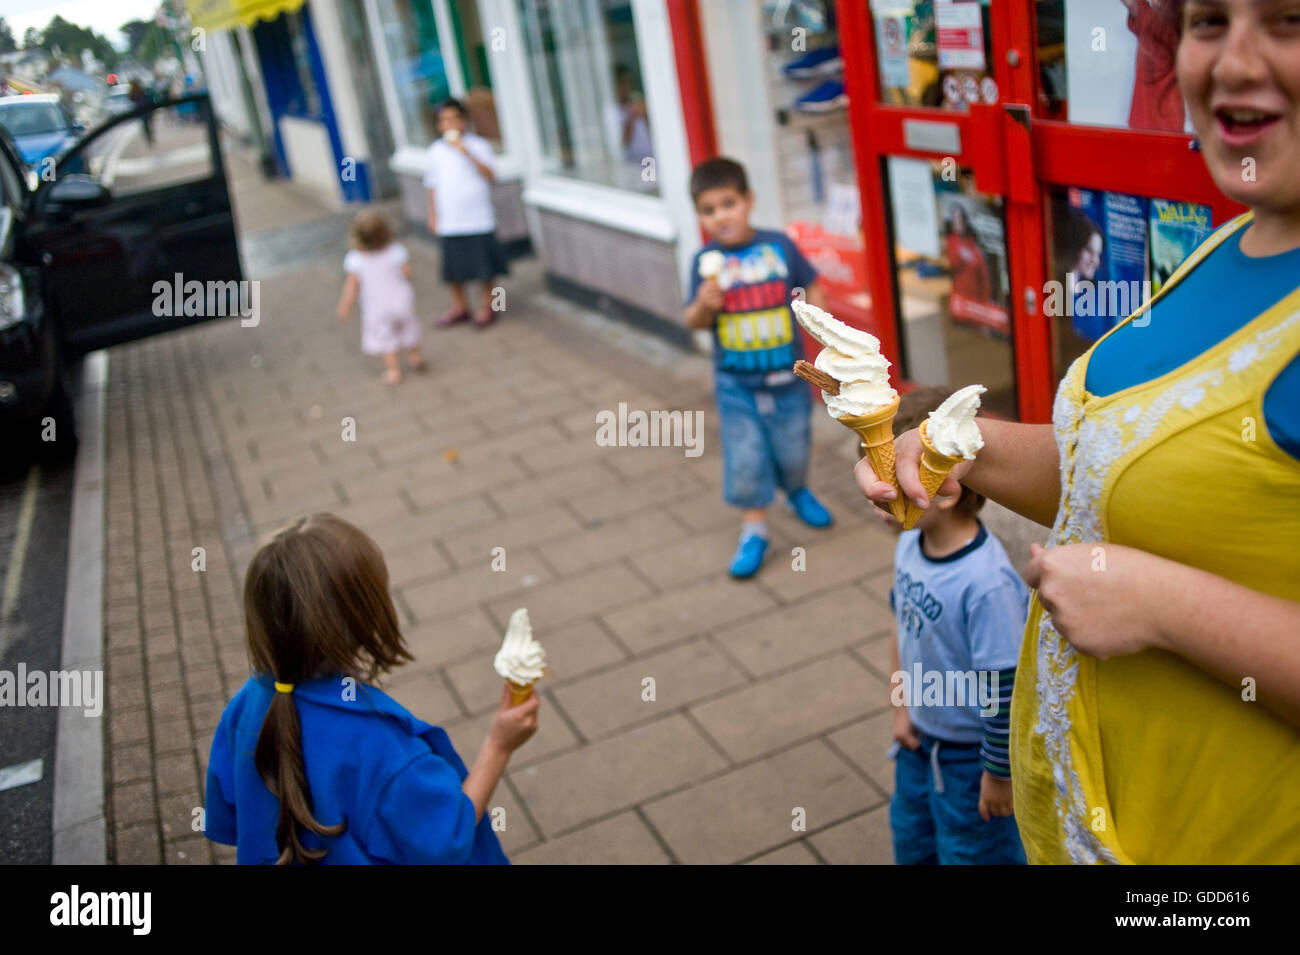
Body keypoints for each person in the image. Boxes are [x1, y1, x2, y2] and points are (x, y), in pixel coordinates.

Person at [855, 0, 1300, 864]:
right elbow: (1128, 474)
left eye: (1288, 20)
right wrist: (962, 445)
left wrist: (1167, 607)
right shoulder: (1240, 236)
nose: (1236, 61)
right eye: (1210, 19)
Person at [203, 513, 540, 864]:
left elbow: (229, 817)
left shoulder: (246, 706)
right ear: (367, 618)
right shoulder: (385, 750)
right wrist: (498, 746)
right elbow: (447, 839)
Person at [881, 387, 1028, 865]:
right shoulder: (911, 541)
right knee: (912, 838)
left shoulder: (987, 584)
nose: (879, 494)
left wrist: (999, 775)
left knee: (973, 853)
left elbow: (1005, 690)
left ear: (945, 494)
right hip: (919, 741)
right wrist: (902, 709)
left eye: (893, 481)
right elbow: (899, 623)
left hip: (972, 762)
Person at [683, 157, 835, 578]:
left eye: (728, 203)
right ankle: (755, 530)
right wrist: (703, 306)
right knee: (746, 456)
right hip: (736, 383)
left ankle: (797, 490)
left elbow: (812, 284)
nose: (720, 216)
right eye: (709, 210)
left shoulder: (779, 246)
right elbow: (691, 320)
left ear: (749, 200)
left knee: (793, 447)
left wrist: (824, 335)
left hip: (789, 377)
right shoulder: (703, 261)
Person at [424, 98, 507, 328]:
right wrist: (432, 215)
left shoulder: (479, 145)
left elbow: (491, 175)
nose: (449, 124)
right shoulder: (435, 152)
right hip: (450, 219)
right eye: (444, 120)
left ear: (464, 120)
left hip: (478, 217)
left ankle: (491, 305)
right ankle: (460, 307)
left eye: (454, 118)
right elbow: (431, 186)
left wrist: (467, 153)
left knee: (486, 267)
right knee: (454, 270)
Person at [336, 209, 425, 386]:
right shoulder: (395, 251)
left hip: (377, 307)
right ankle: (415, 356)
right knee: (408, 327)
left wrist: (345, 306)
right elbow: (407, 272)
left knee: (386, 338)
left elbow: (351, 287)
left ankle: (394, 370)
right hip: (401, 301)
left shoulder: (355, 259)